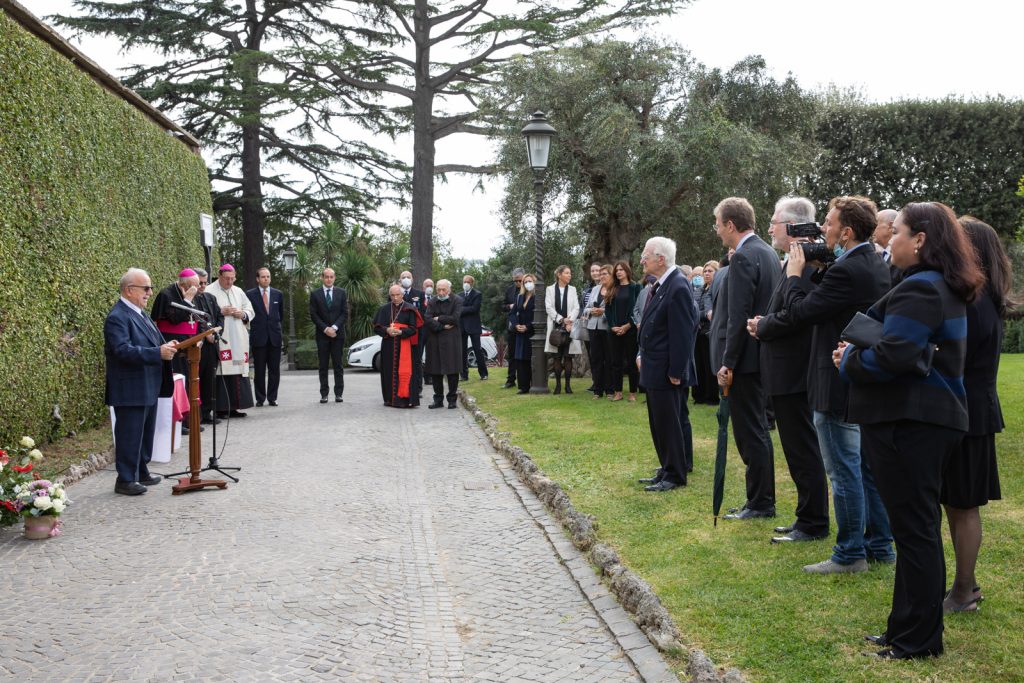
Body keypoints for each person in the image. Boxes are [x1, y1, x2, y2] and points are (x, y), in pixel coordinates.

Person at [839, 202, 983, 659]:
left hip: (912, 422)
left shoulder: (921, 289)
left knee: (916, 532)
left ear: (919, 239)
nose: (889, 238)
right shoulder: (935, 285)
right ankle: (904, 627)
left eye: (896, 231)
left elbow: (894, 357)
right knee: (913, 529)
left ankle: (918, 640)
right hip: (924, 421)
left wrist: (849, 360)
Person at [774, 196, 894, 572]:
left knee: (843, 470)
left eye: (827, 223)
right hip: (858, 377)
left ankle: (849, 553)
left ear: (846, 230)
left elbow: (802, 312)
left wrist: (795, 275)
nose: (821, 229)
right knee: (866, 469)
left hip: (835, 378)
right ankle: (880, 545)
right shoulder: (871, 262)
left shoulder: (847, 269)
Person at [747, 196, 829, 543]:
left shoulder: (809, 263)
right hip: (784, 369)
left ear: (794, 227)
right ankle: (805, 516)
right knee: (796, 449)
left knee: (803, 448)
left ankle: (813, 522)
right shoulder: (794, 260)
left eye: (774, 222)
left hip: (796, 370)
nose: (769, 228)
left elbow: (799, 315)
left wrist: (764, 325)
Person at [940, 217, 1010, 613]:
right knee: (956, 501)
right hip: (969, 408)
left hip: (970, 412)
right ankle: (963, 586)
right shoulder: (982, 297)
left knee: (964, 504)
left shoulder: (976, 301)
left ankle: (965, 590)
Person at [713, 198, 782, 520]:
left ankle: (760, 502)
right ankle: (760, 499)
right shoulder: (768, 253)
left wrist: (728, 362)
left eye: (718, 224)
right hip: (762, 354)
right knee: (757, 428)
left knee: (749, 432)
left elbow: (738, 315)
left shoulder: (742, 257)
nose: (717, 232)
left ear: (730, 224)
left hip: (746, 360)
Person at [104, 268, 177, 495]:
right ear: (128, 290)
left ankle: (141, 471)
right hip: (130, 387)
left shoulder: (141, 314)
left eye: (150, 287)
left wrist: (171, 346)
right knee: (130, 433)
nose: (150, 292)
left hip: (147, 384)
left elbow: (154, 341)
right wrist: (158, 353)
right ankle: (125, 479)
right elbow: (121, 350)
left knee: (145, 433)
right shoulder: (117, 317)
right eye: (145, 288)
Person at [636, 237, 697, 492]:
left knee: (669, 422)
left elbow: (683, 333)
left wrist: (676, 371)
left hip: (666, 370)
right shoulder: (662, 284)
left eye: (646, 255)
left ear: (661, 259)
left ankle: (674, 474)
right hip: (654, 367)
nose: (642, 260)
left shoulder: (678, 286)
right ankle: (666, 467)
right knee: (659, 422)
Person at [150, 268, 201, 433]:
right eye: (195, 286)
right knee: (176, 383)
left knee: (189, 383)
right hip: (172, 346)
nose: (197, 289)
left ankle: (189, 421)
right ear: (184, 286)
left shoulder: (193, 294)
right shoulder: (166, 294)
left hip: (189, 347)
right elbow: (174, 318)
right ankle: (177, 423)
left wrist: (199, 338)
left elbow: (197, 319)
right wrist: (186, 301)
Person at [205, 264, 255, 417]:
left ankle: (235, 407)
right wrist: (220, 312)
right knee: (222, 370)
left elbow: (250, 309)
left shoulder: (238, 291)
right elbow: (204, 313)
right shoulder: (209, 291)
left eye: (232, 279)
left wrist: (243, 314)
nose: (229, 282)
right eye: (226, 279)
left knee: (237, 370)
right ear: (219, 276)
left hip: (238, 337)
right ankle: (220, 409)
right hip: (222, 336)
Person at [374, 284, 424, 407]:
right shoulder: (384, 309)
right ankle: (390, 399)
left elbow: (414, 329)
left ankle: (406, 400)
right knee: (388, 371)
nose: (395, 298)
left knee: (406, 372)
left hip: (404, 345)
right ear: (390, 296)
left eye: (397, 295)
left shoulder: (410, 308)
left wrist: (401, 332)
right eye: (392, 295)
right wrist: (387, 331)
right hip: (388, 346)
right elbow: (377, 327)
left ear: (402, 295)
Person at [246, 267, 284, 407]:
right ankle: (260, 398)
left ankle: (273, 397)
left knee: (274, 370)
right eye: (263, 277)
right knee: (259, 370)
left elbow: (281, 315)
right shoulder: (249, 294)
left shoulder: (278, 294)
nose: (266, 279)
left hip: (274, 337)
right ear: (257, 279)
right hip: (259, 337)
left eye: (268, 276)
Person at [309, 268, 347, 403]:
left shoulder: (342, 293)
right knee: (323, 366)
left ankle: (339, 394)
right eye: (326, 277)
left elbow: (344, 313)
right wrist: (325, 329)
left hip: (338, 334)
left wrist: (335, 327)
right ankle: (324, 394)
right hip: (322, 335)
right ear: (322, 278)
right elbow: (313, 314)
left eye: (331, 277)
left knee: (338, 365)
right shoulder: (315, 294)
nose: (329, 279)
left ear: (334, 278)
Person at [423, 279, 463, 409]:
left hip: (451, 340)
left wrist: (438, 318)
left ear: (449, 290)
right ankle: (438, 399)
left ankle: (452, 400)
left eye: (443, 290)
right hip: (435, 339)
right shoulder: (432, 301)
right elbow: (427, 319)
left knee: (452, 371)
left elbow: (455, 319)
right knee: (436, 371)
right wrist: (442, 326)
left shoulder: (457, 300)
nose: (440, 292)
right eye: (438, 290)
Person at [605, 261, 642, 402]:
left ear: (627, 271)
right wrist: (613, 325)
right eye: (617, 270)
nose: (619, 272)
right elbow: (608, 309)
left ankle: (633, 392)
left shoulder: (636, 287)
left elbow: (638, 308)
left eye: (621, 269)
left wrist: (628, 325)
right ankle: (618, 392)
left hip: (630, 330)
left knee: (632, 362)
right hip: (614, 331)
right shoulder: (612, 287)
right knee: (616, 362)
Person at [192, 268, 224, 425]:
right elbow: (195, 321)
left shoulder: (211, 298)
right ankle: (195, 414)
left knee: (209, 380)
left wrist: (218, 332)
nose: (203, 286)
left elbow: (219, 317)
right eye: (200, 283)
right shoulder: (189, 300)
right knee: (197, 380)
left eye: (205, 283)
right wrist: (206, 335)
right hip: (199, 347)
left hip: (212, 347)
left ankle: (207, 412)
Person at [544, 265, 583, 394]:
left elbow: (577, 307)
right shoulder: (550, 289)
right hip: (556, 327)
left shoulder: (572, 289)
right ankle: (558, 386)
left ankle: (568, 385)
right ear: (559, 275)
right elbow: (548, 307)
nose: (569, 275)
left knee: (568, 357)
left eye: (570, 273)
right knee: (556, 357)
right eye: (567, 273)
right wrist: (561, 319)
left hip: (569, 328)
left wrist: (569, 320)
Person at [692, 261, 719, 405]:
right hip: (697, 332)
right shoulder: (698, 290)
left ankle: (711, 396)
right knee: (698, 364)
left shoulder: (716, 290)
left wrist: (700, 315)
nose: (707, 273)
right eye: (705, 271)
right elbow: (693, 309)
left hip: (710, 332)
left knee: (709, 364)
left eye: (710, 271)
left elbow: (713, 313)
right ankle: (699, 395)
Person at [585, 265, 613, 399]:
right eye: (600, 274)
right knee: (596, 358)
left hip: (607, 328)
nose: (601, 276)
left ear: (611, 275)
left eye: (605, 274)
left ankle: (609, 389)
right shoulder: (595, 289)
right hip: (593, 327)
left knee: (609, 359)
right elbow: (586, 308)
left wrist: (603, 312)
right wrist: (591, 311)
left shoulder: (615, 289)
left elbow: (615, 310)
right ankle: (597, 389)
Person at [509, 274, 537, 394]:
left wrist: (528, 326)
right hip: (520, 332)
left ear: (534, 282)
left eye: (530, 281)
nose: (527, 284)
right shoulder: (520, 297)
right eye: (525, 282)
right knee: (521, 360)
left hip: (532, 331)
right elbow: (512, 313)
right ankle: (523, 386)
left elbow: (540, 315)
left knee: (531, 359)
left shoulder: (538, 297)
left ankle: (534, 384)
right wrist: (516, 325)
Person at [400, 270, 427, 394]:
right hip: (401, 333)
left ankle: (417, 388)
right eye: (403, 277)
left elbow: (422, 313)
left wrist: (412, 325)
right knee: (402, 360)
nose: (406, 279)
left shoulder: (420, 294)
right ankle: (402, 387)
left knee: (416, 360)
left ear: (412, 279)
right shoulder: (396, 293)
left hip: (416, 332)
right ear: (400, 280)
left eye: (408, 277)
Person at [459, 275, 488, 381]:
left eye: (468, 282)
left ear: (472, 283)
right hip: (462, 326)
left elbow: (475, 309)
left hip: (474, 326)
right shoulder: (459, 295)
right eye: (464, 281)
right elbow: (459, 309)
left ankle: (483, 373)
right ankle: (463, 375)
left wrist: (462, 309)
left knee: (477, 350)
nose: (466, 283)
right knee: (462, 350)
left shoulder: (477, 294)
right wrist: (465, 308)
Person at [502, 268, 526, 389]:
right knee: (511, 355)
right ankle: (511, 379)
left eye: (519, 280)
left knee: (524, 354)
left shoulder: (528, 289)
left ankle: (526, 379)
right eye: (515, 281)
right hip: (512, 326)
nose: (517, 283)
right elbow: (503, 306)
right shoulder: (509, 290)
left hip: (525, 326)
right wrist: (510, 306)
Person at [581, 262, 603, 392]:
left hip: (602, 325)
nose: (595, 273)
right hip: (588, 325)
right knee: (592, 355)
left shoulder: (608, 287)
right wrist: (583, 315)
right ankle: (596, 382)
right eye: (592, 271)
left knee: (603, 355)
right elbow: (582, 305)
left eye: (597, 270)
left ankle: (605, 382)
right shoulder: (587, 289)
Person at [421, 278, 435, 386]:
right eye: (427, 285)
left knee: (430, 355)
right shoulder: (419, 298)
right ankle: (418, 378)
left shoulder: (435, 299)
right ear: (423, 287)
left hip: (431, 330)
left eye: (431, 285)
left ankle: (428, 377)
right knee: (419, 354)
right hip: (421, 330)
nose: (429, 287)